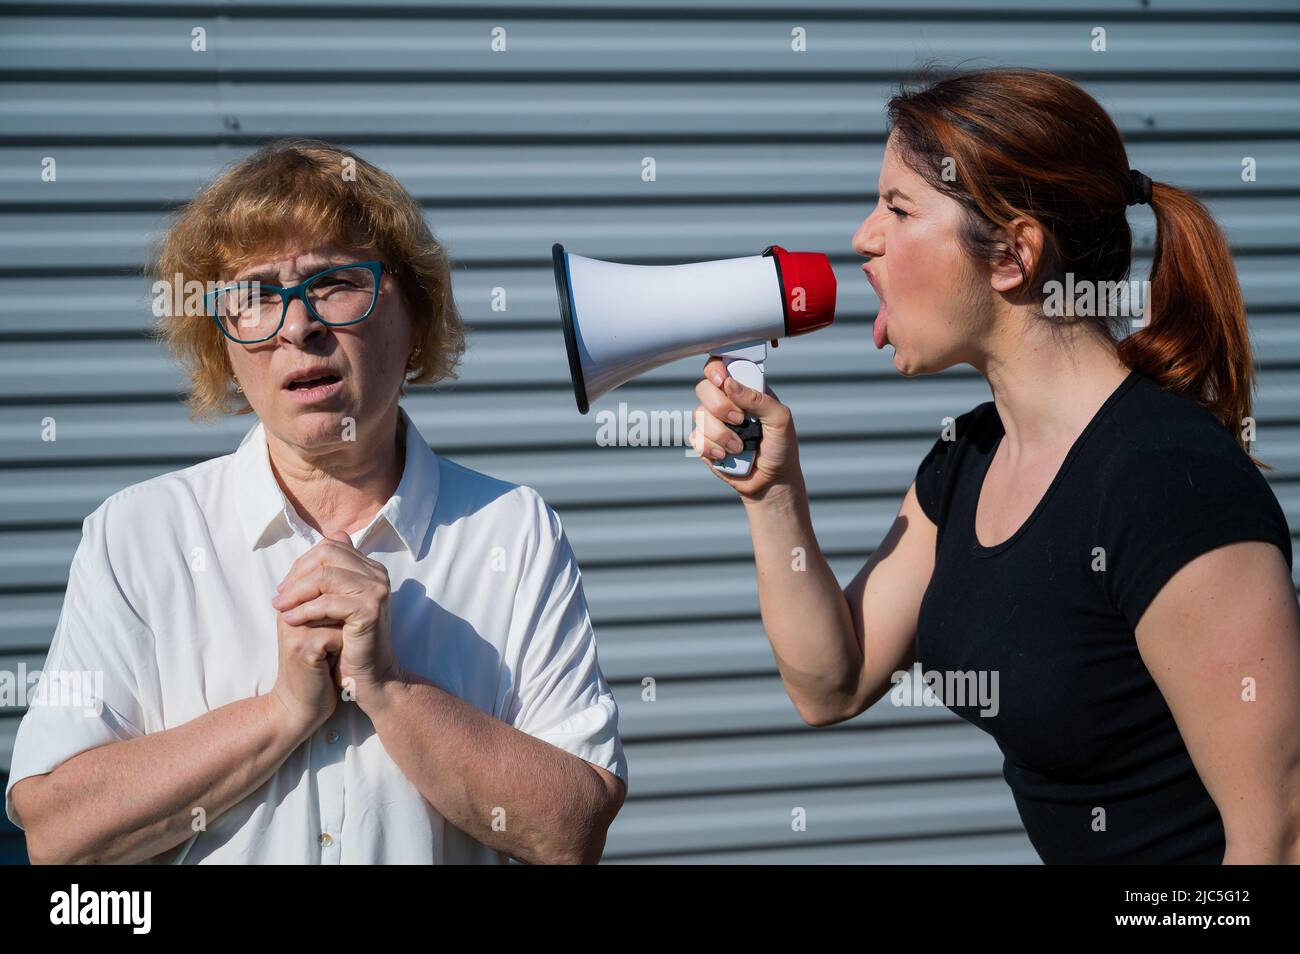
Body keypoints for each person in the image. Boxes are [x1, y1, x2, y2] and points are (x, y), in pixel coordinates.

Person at [689, 68, 1299, 863]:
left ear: (1012, 255)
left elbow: (1279, 840)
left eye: (899, 210)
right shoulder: (968, 458)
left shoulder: (1171, 486)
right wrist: (772, 493)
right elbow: (830, 681)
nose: (862, 238)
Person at [5, 139, 627, 864]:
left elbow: (572, 831)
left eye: (334, 282)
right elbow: (58, 836)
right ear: (221, 343)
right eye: (254, 296)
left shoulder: (513, 531)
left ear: (416, 313)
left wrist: (389, 687)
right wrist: (281, 714)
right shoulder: (139, 535)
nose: (296, 326)